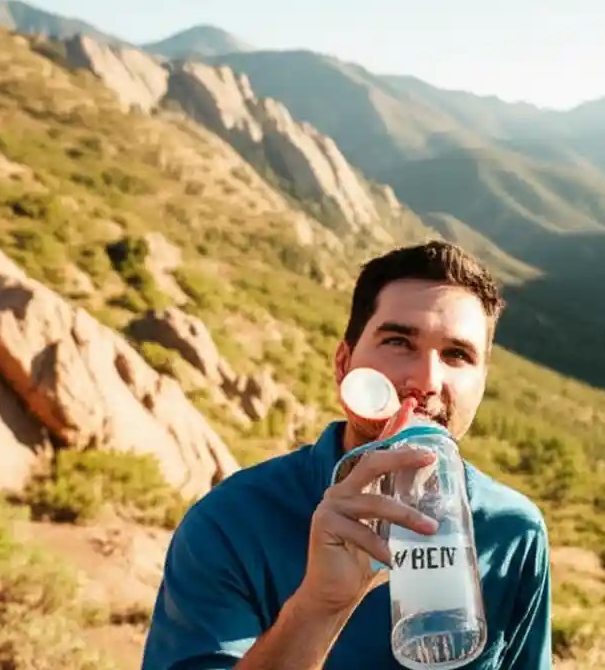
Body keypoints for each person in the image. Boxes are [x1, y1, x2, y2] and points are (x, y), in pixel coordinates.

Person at [142, 241, 552, 670]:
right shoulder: (232, 521)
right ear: (344, 365)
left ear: (482, 384)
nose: (427, 381)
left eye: (457, 354)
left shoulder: (513, 532)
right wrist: (319, 608)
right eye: (398, 341)